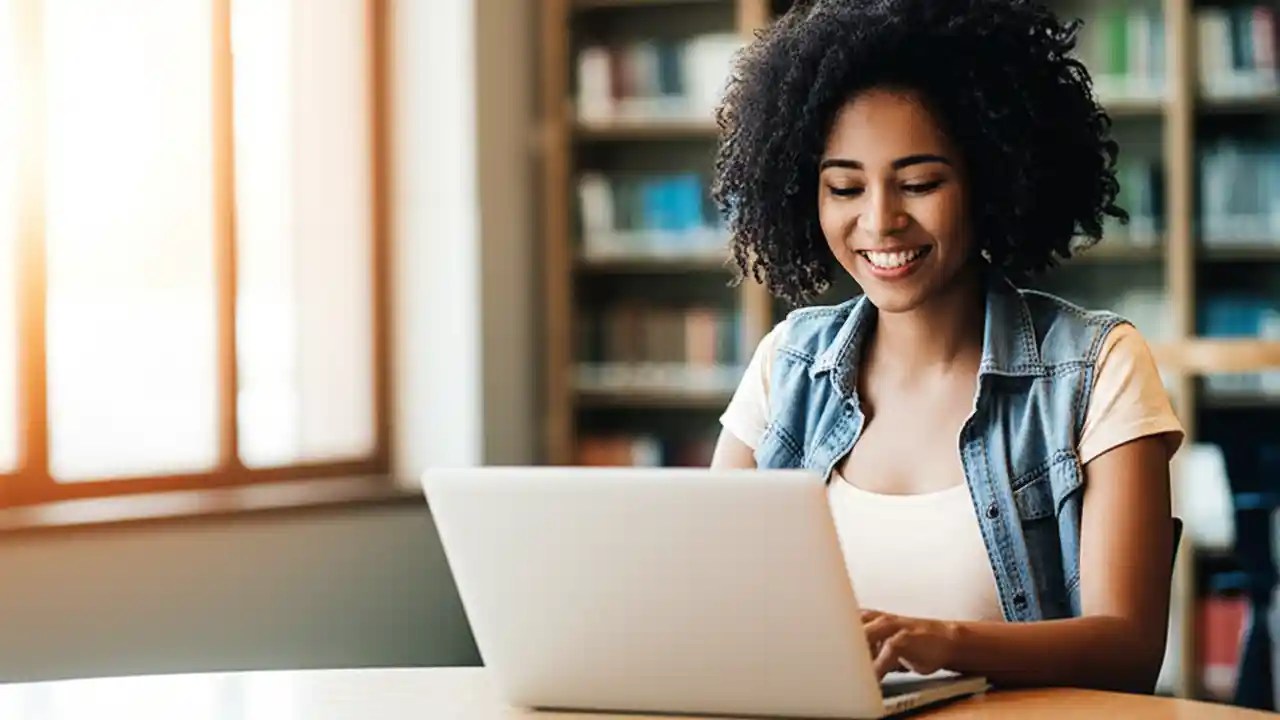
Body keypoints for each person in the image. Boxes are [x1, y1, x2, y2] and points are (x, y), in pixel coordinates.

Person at [709, 0, 1184, 694]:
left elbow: (1129, 647)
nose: (879, 221)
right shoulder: (787, 366)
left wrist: (939, 642)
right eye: (844, 187)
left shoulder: (1096, 368)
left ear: (990, 179)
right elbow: (704, 598)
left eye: (920, 183)